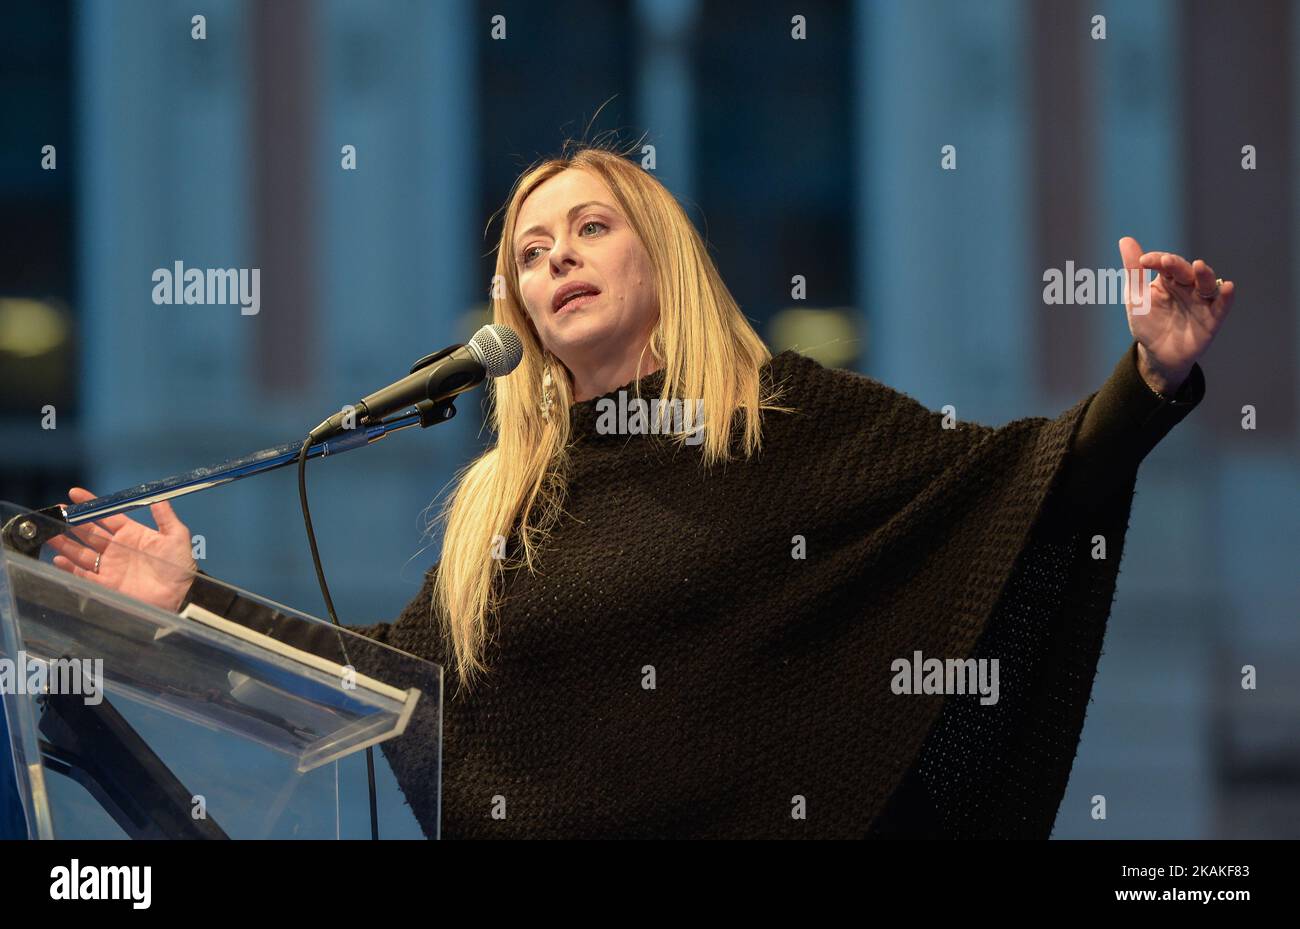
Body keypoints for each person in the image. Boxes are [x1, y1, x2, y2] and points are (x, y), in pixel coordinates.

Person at [49, 143, 1234, 839]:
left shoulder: (791, 420)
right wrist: (188, 597)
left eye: (588, 227)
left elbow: (1024, 488)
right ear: (512, 307)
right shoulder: (507, 506)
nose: (554, 255)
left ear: (654, 255)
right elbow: (391, 686)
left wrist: (1151, 372)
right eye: (528, 249)